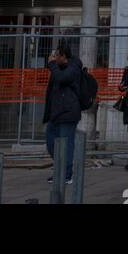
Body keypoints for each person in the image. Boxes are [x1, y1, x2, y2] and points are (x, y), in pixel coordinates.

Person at [42, 42, 82, 184]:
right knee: (50, 142)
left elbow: (62, 78)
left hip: (68, 111)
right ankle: (60, 169)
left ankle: (67, 174)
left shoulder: (74, 66)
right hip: (56, 113)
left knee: (67, 143)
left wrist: (52, 65)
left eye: (56, 56)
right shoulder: (57, 68)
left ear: (63, 56)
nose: (54, 58)